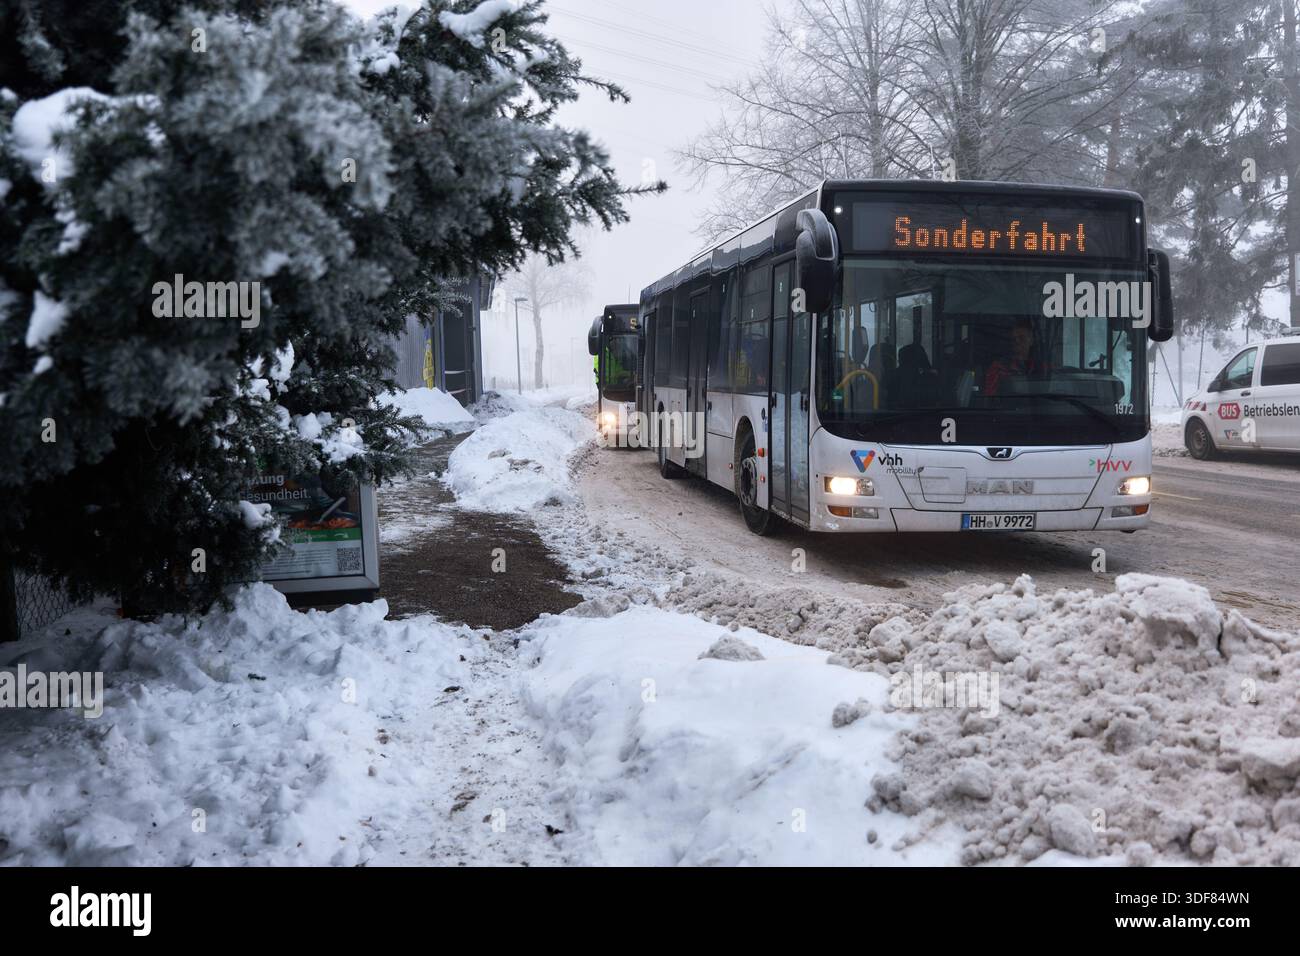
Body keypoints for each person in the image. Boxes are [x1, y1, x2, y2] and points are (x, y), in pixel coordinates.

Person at [984, 317, 1043, 397]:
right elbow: (989, 399)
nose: (1017, 343)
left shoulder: (1044, 368)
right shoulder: (998, 368)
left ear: (1031, 340)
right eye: (1014, 340)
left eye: (1022, 338)